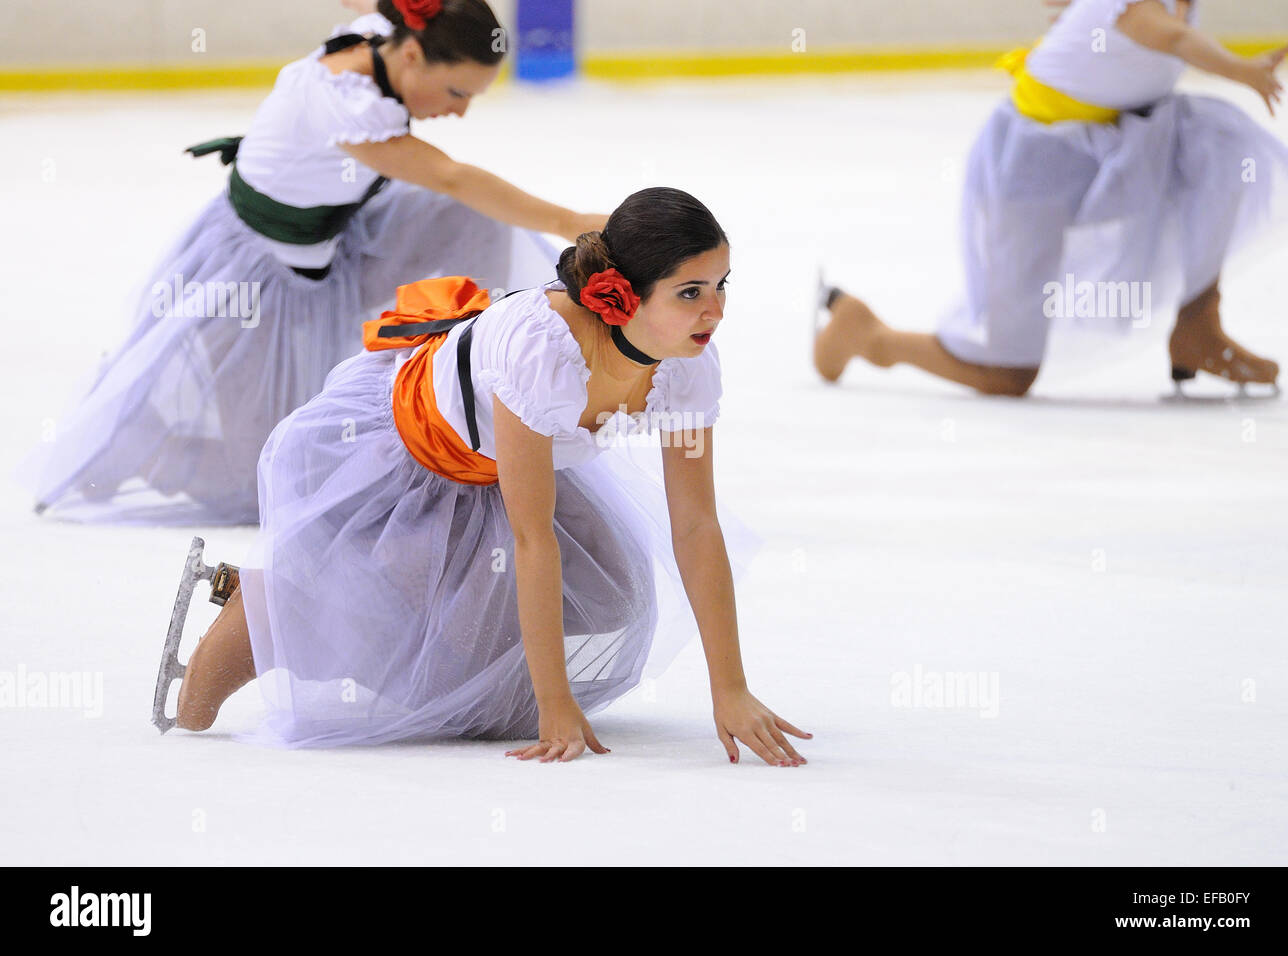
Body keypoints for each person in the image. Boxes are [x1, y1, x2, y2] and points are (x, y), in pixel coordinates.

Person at [159, 187, 810, 766]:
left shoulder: (689, 367)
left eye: (723, 285)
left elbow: (695, 525)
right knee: (449, 673)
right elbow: (532, 538)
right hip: (416, 460)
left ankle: (324, 604)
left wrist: (730, 690)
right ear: (624, 296)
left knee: (612, 604)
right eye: (691, 293)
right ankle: (272, 603)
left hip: (515, 463)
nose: (715, 311)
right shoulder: (546, 353)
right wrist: (554, 703)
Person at [21, 0, 603, 523]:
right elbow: (450, 175)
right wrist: (571, 221)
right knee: (257, 483)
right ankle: (143, 439)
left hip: (337, 235)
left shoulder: (380, 27)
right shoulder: (344, 106)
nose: (460, 111)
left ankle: (472, 353)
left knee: (474, 217)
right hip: (260, 271)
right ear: (410, 54)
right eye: (457, 93)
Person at [815, 0, 1288, 397]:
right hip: (1035, 166)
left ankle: (1199, 326)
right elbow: (1170, 38)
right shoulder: (1138, 9)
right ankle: (870, 337)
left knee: (1219, 144)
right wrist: (1242, 70)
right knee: (1008, 376)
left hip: (1118, 144)